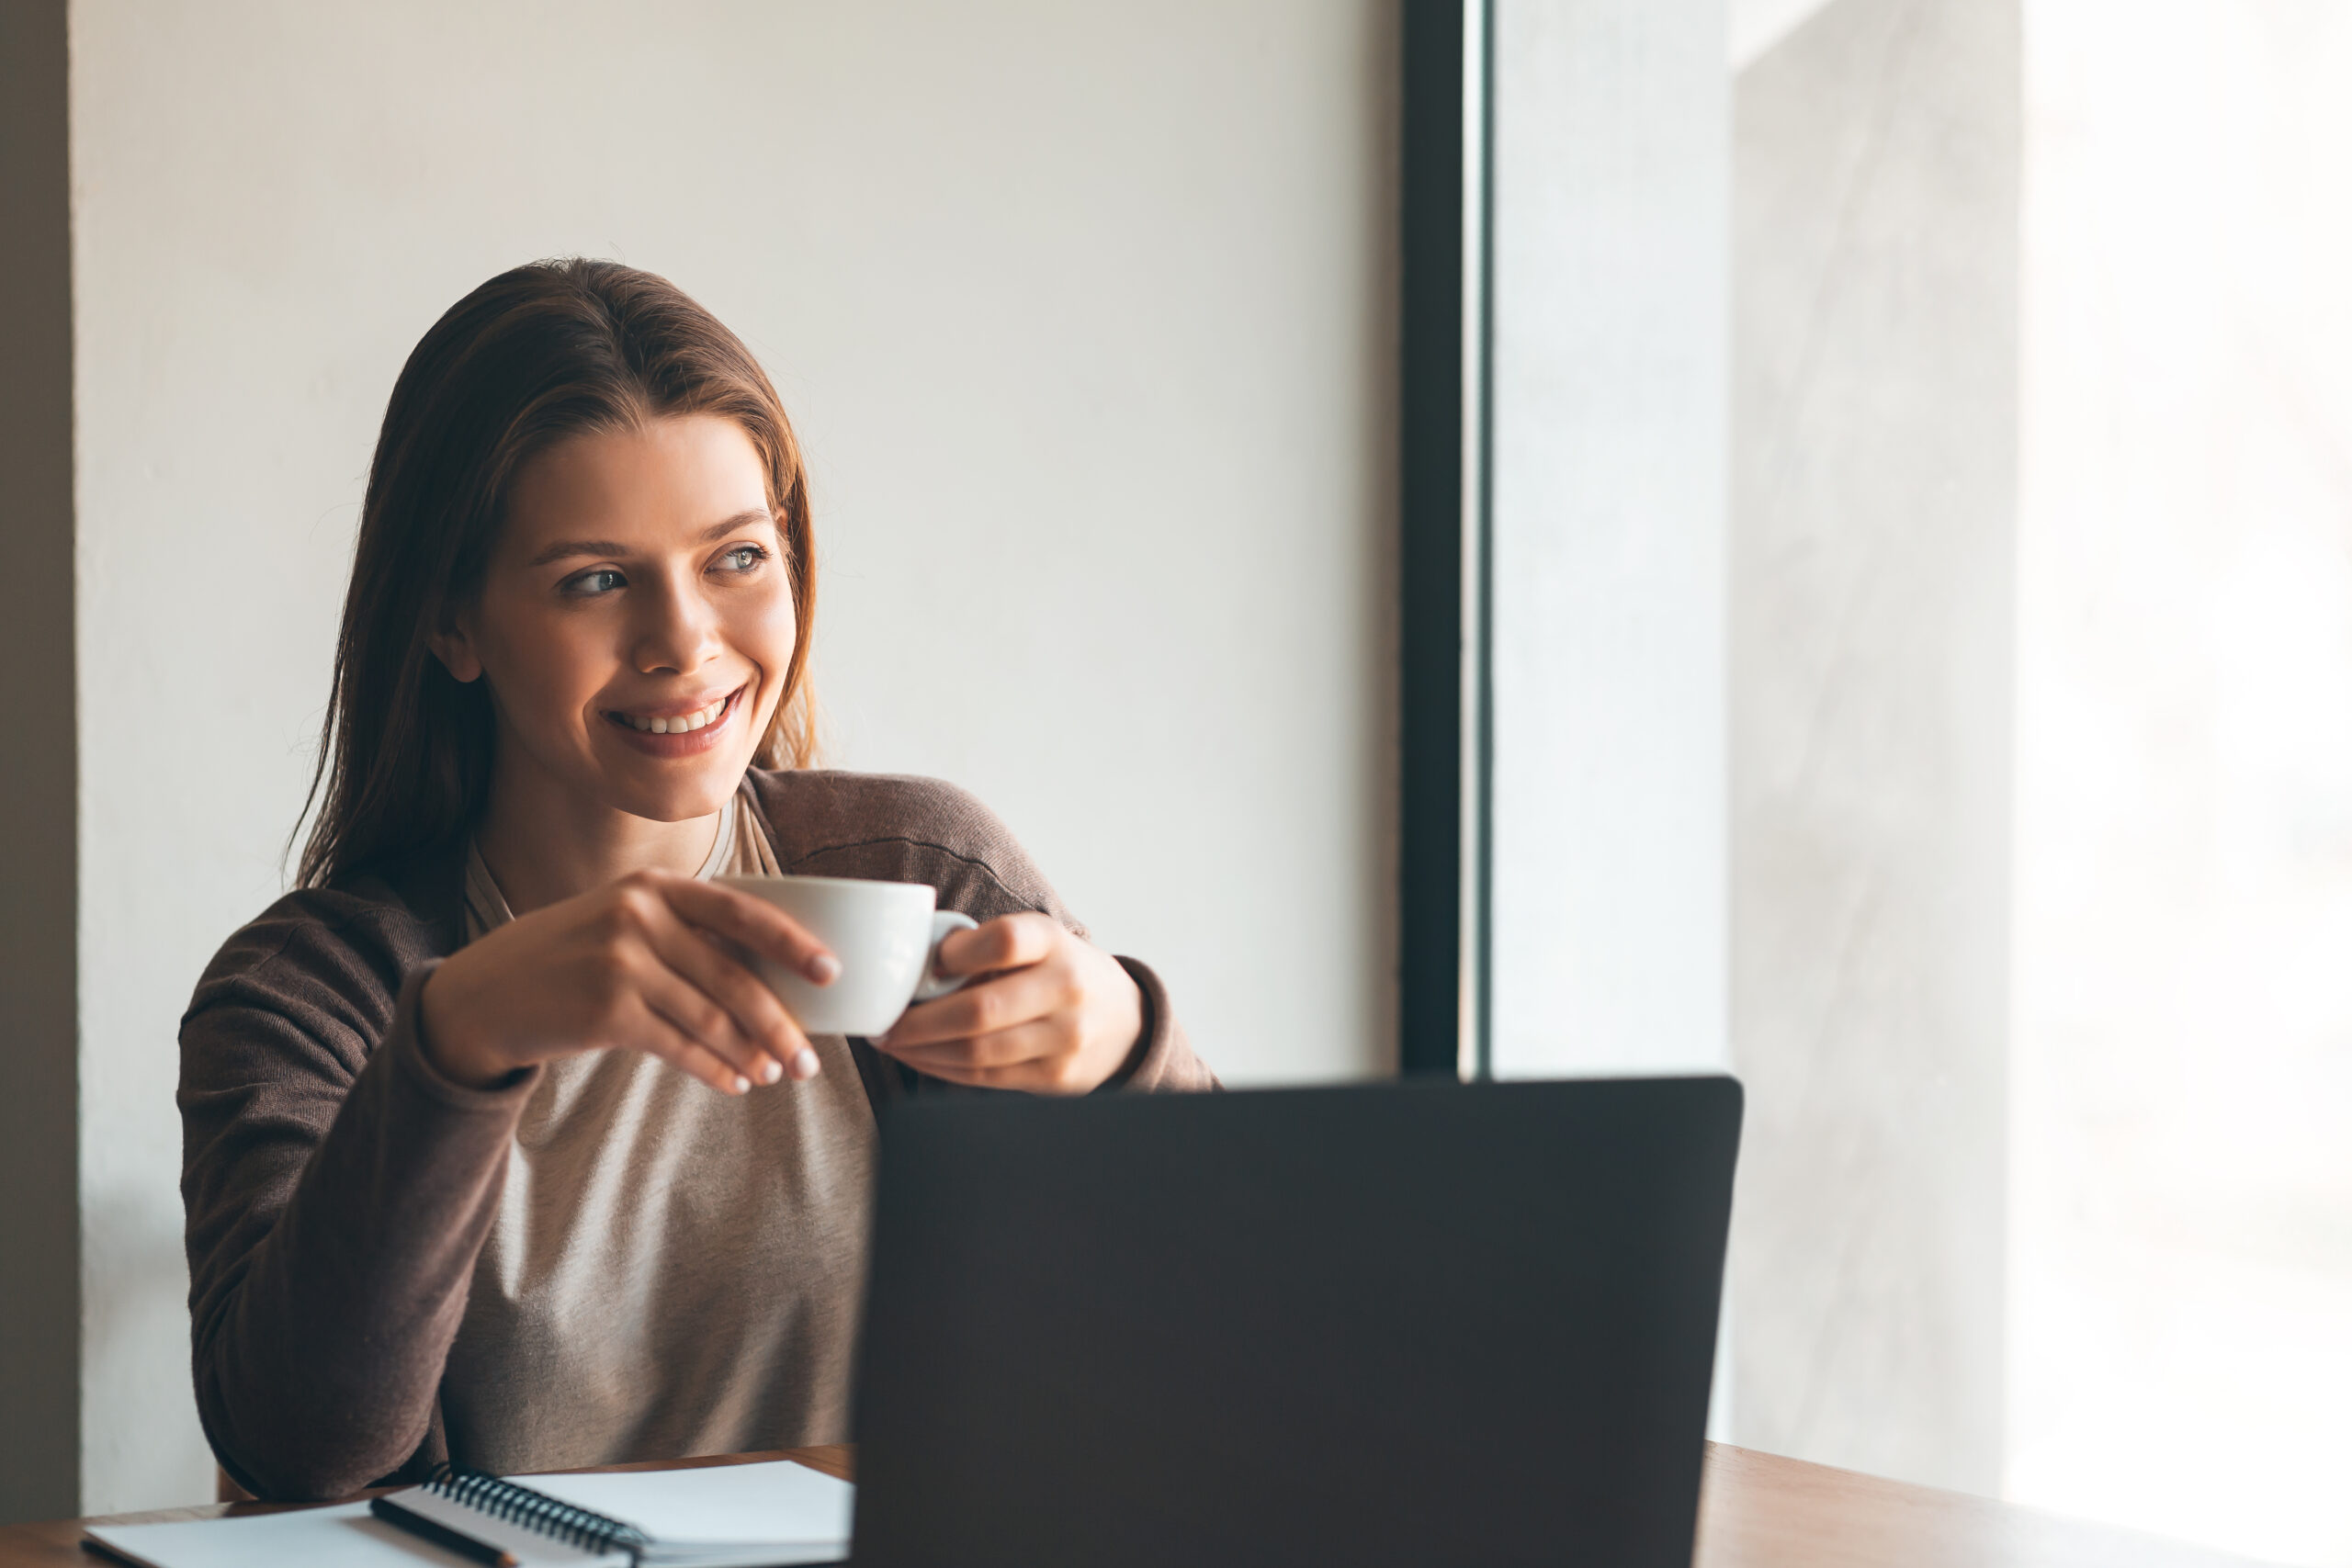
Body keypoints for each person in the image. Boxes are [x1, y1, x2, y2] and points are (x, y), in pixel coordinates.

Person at [177, 259, 1217, 1502]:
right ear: (452, 623)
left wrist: (1125, 1046)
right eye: (596, 580)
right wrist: (460, 1038)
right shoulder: (311, 992)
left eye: (736, 558)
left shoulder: (915, 872)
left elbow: (1232, 1311)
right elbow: (297, 1451)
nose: (684, 641)